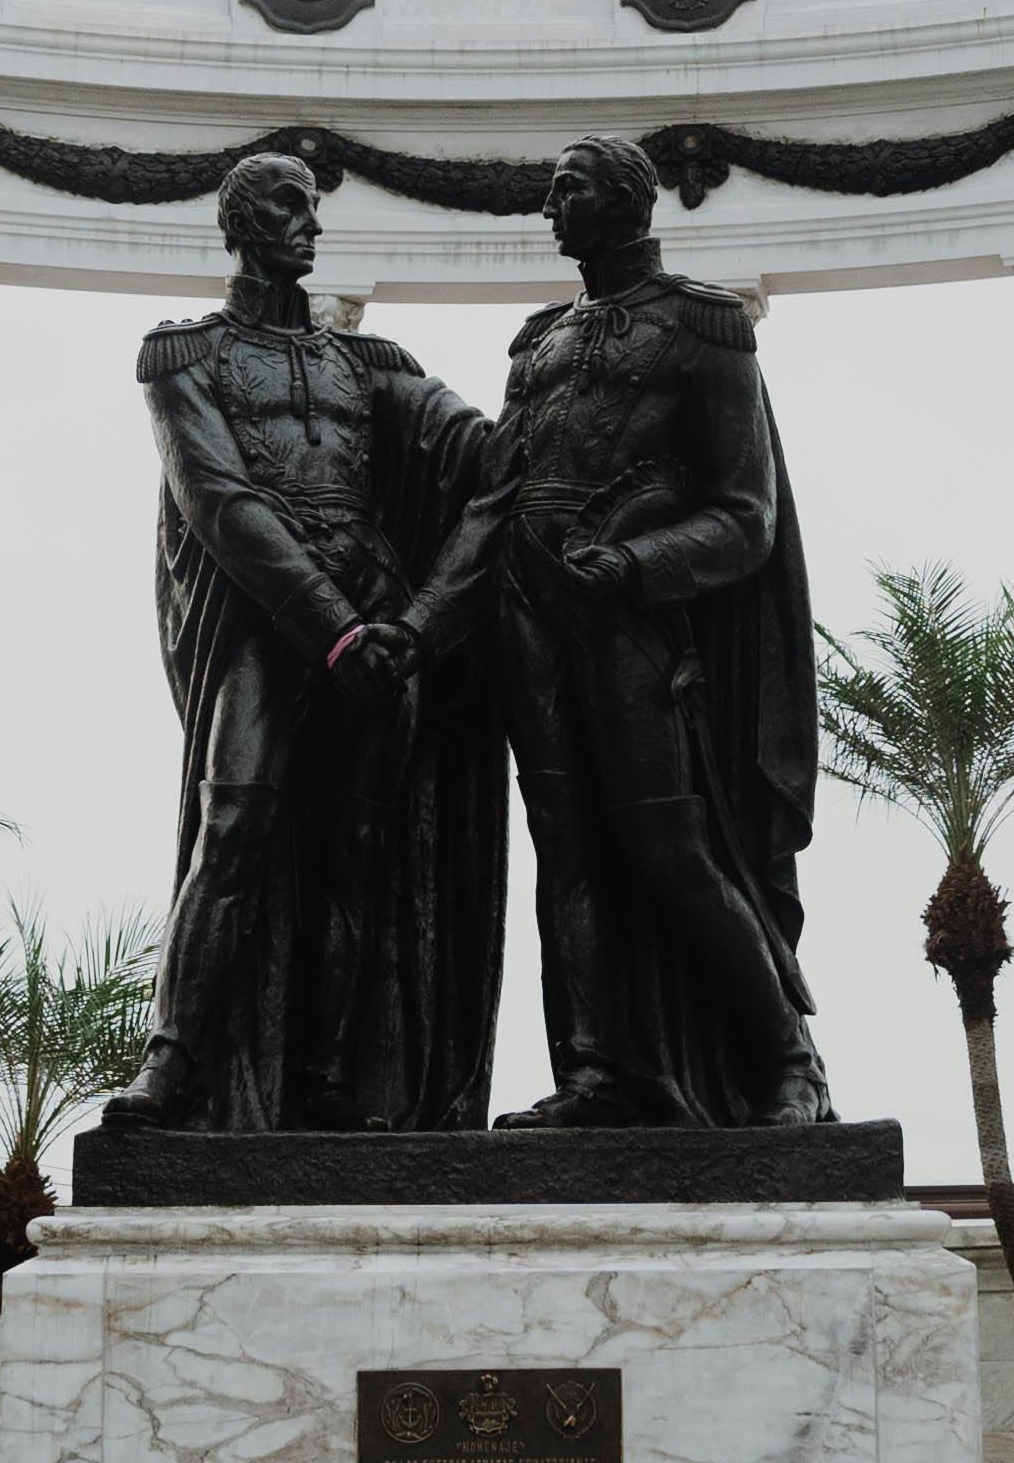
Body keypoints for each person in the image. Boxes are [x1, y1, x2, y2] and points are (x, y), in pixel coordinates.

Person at [114, 152, 503, 1131]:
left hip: (380, 622)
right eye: (290, 207)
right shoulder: (182, 355)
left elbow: (481, 452)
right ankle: (172, 1061)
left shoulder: (373, 366)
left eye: (313, 208)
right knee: (232, 824)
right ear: (240, 224)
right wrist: (334, 631)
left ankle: (332, 1073)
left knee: (360, 853)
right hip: (272, 621)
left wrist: (555, 423)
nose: (311, 227)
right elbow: (221, 502)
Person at [482, 135, 835, 1129]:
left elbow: (746, 514)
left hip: (630, 618)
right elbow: (497, 481)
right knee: (568, 852)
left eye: (571, 185)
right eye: (551, 186)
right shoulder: (535, 340)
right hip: (527, 609)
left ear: (631, 201)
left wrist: (635, 565)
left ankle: (788, 1060)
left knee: (669, 842)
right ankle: (602, 1071)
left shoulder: (706, 326)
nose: (551, 203)